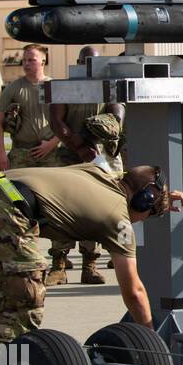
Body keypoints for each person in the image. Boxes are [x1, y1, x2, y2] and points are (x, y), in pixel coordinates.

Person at [0, 162, 183, 365]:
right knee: (22, 309)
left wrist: (165, 195)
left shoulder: (100, 175)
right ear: (143, 202)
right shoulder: (119, 219)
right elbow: (134, 290)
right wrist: (151, 344)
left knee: (3, 314)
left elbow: (138, 183)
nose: (142, 220)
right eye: (148, 215)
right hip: (8, 213)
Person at [47, 45, 114, 285]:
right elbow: (56, 121)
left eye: (93, 62)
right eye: (85, 61)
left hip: (96, 156)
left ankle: (90, 265)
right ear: (77, 61)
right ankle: (59, 266)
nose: (89, 67)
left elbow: (116, 115)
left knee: (92, 211)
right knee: (61, 210)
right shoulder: (64, 86)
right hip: (68, 154)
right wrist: (77, 145)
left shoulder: (107, 86)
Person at [0, 44, 59, 173]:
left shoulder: (55, 87)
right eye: (24, 60)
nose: (26, 64)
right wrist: (1, 153)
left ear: (43, 62)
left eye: (31, 60)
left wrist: (52, 143)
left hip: (50, 152)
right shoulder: (13, 88)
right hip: (22, 153)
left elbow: (68, 121)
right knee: (18, 191)